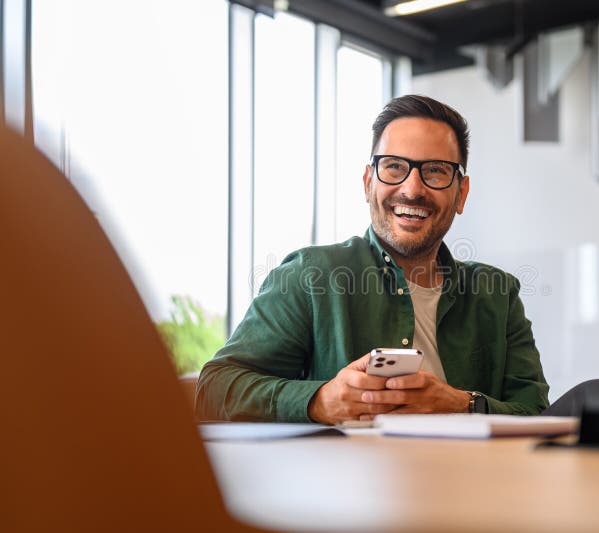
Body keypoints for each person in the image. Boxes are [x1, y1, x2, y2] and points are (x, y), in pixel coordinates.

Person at [196, 95, 549, 424]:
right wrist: (319, 400)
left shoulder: (498, 294)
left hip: (471, 472)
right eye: (394, 167)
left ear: (461, 194)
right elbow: (214, 389)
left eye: (435, 171)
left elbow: (537, 412)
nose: (412, 189)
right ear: (368, 183)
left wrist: (462, 404)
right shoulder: (309, 276)